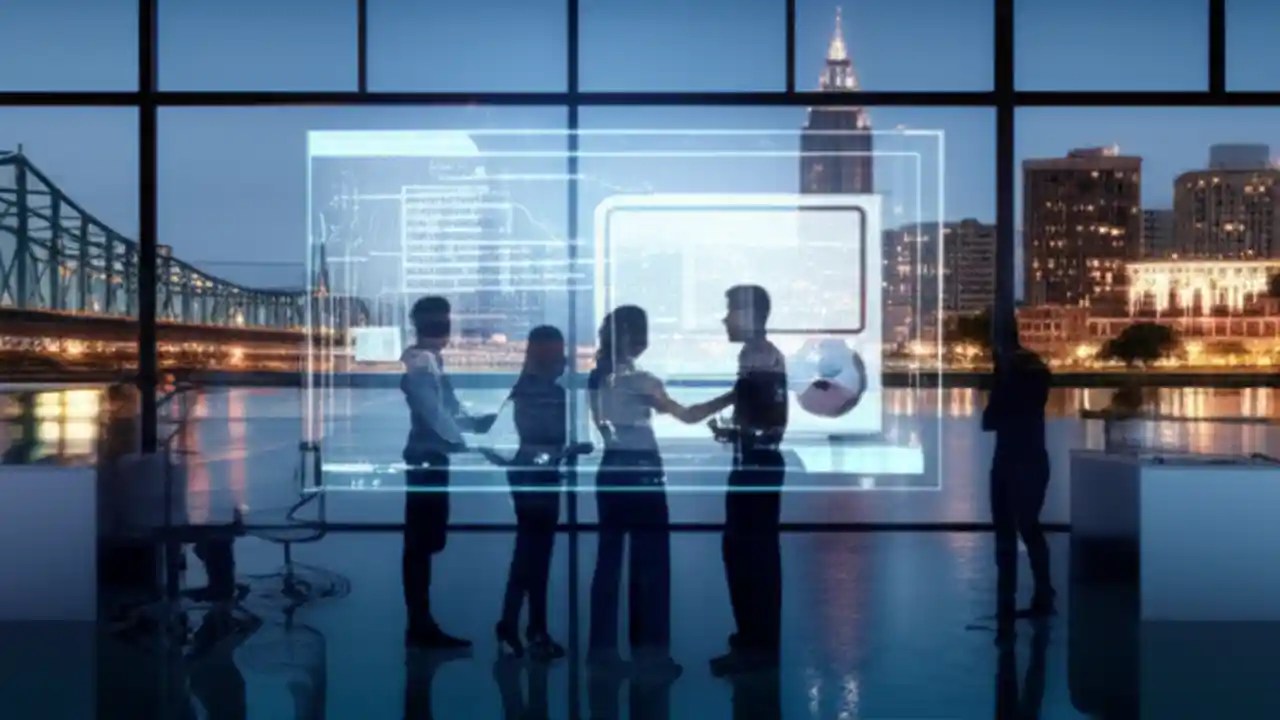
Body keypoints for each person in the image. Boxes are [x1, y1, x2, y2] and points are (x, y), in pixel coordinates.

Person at [587, 305, 733, 675]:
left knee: (608, 564)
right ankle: (650, 655)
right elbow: (688, 416)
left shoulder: (597, 377)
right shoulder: (642, 381)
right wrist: (733, 396)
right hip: (642, 470)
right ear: (639, 338)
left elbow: (605, 426)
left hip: (610, 469)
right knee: (650, 564)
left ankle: (601, 649)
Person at [400, 296, 496, 650]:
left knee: (424, 542)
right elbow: (433, 414)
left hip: (431, 458)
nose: (444, 327)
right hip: (428, 460)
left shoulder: (432, 361)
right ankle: (420, 625)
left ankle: (421, 622)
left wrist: (472, 425)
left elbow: (447, 411)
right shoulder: (421, 362)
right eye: (438, 321)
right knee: (421, 544)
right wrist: (465, 443)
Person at [708, 285, 789, 676]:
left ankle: (754, 646)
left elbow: (768, 421)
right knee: (756, 556)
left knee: (745, 556)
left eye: (730, 311)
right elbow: (769, 418)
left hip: (754, 467)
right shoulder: (762, 356)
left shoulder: (756, 357)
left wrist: (738, 434)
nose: (725, 319)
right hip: (761, 464)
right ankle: (757, 642)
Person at [489, 325, 582, 662]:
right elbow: (546, 436)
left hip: (525, 472)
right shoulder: (548, 393)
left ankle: (518, 623)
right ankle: (526, 626)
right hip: (540, 474)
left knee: (530, 551)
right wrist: (568, 450)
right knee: (535, 553)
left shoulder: (525, 388)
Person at [982, 324, 1054, 622]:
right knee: (1029, 527)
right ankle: (1042, 592)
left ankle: (1013, 598)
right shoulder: (1036, 372)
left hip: (1012, 459)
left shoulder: (1011, 376)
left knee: (1010, 529)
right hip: (1032, 457)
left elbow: (989, 420)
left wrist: (999, 387)